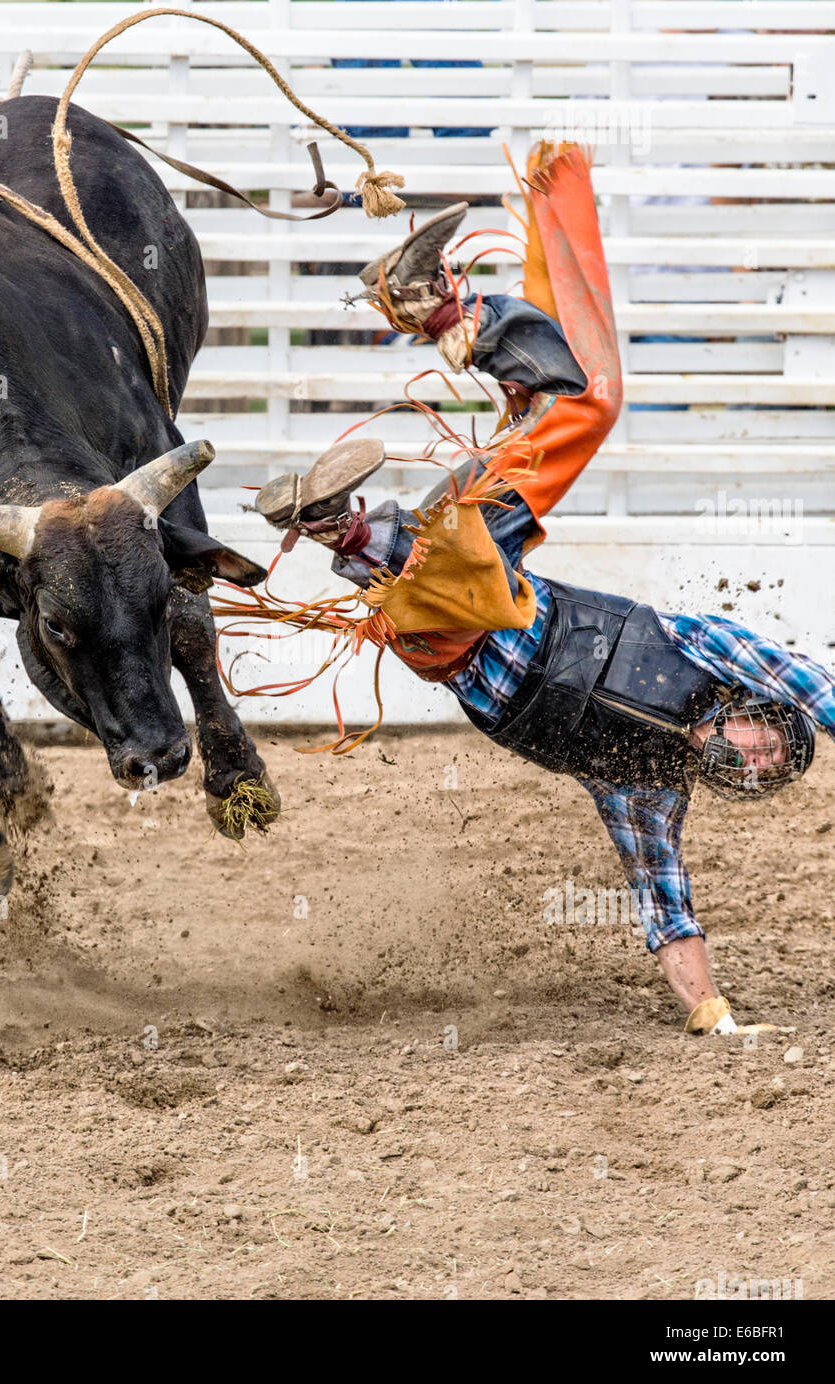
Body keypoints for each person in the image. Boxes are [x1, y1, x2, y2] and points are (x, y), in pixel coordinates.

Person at [252, 143, 828, 1037]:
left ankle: (342, 522)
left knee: (568, 413)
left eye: (762, 776)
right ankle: (440, 304)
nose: (755, 761)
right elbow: (810, 683)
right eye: (769, 745)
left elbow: (664, 902)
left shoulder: (653, 787)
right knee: (577, 403)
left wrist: (711, 1011)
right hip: (492, 566)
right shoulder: (709, 652)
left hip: (449, 640)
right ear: (758, 712)